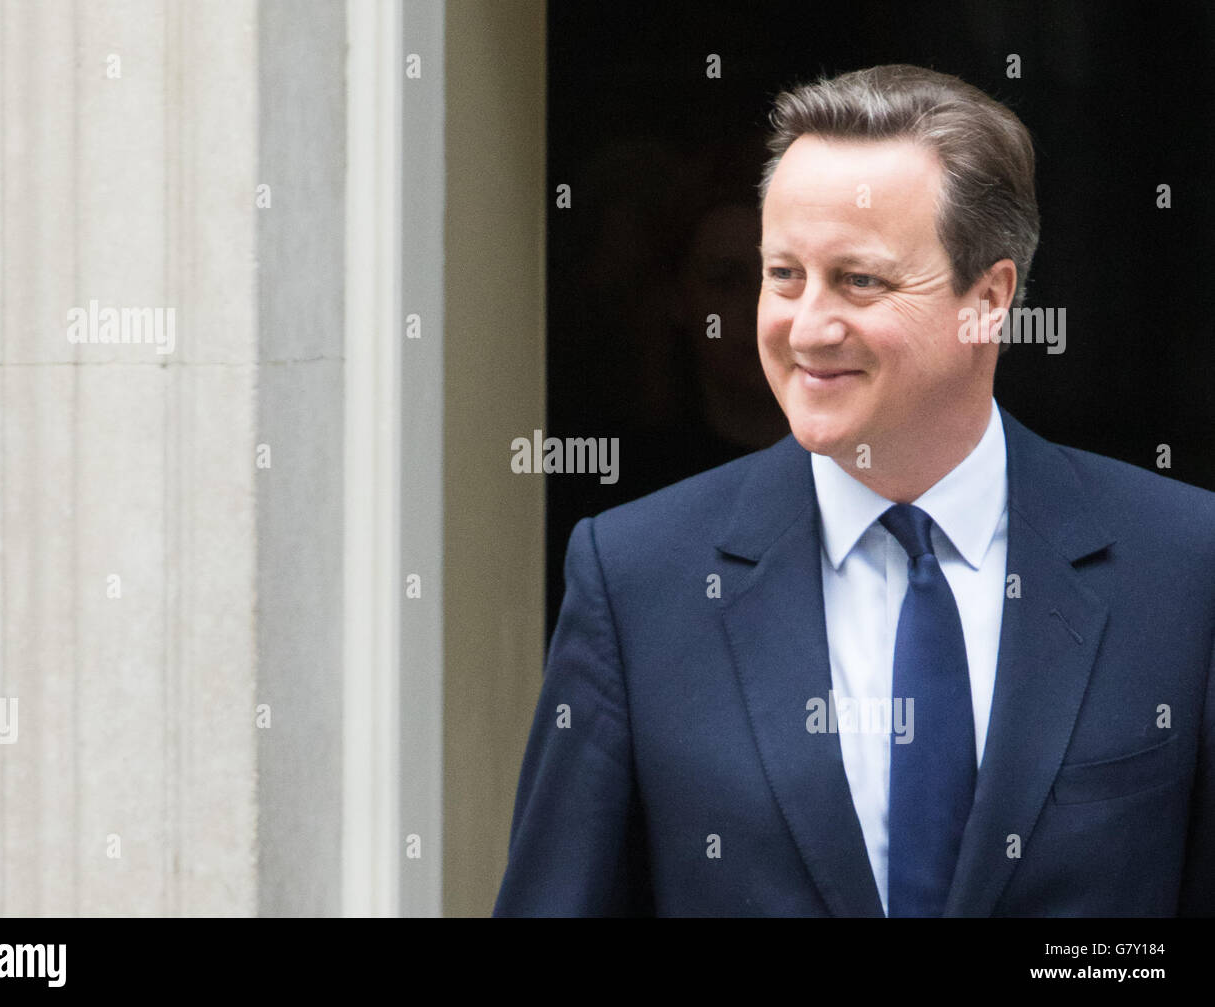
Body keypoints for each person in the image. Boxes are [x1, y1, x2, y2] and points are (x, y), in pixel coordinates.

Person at [494, 64, 1215, 916]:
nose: (806, 327)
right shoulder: (637, 577)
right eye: (784, 274)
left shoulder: (1183, 563)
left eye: (859, 280)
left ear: (988, 300)